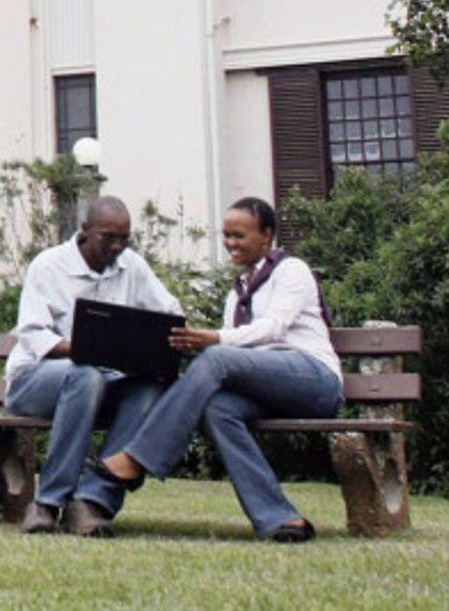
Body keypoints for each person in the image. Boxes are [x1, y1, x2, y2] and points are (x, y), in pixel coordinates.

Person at [94, 196, 343, 542]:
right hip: (267, 388)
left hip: (313, 380)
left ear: (267, 235)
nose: (230, 243)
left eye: (239, 236)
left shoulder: (291, 270)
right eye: (226, 235)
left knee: (214, 357)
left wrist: (213, 340)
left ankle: (138, 458)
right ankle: (279, 519)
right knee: (215, 409)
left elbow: (272, 329)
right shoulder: (237, 291)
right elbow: (234, 348)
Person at [1, 195, 186, 536]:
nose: (117, 247)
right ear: (85, 230)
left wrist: (154, 345)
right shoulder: (48, 265)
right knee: (85, 375)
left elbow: (171, 313)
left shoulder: (133, 266)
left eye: (123, 239)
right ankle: (48, 503)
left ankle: (91, 501)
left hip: (102, 382)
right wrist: (85, 350)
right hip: (36, 379)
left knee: (148, 389)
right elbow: (32, 333)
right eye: (108, 238)